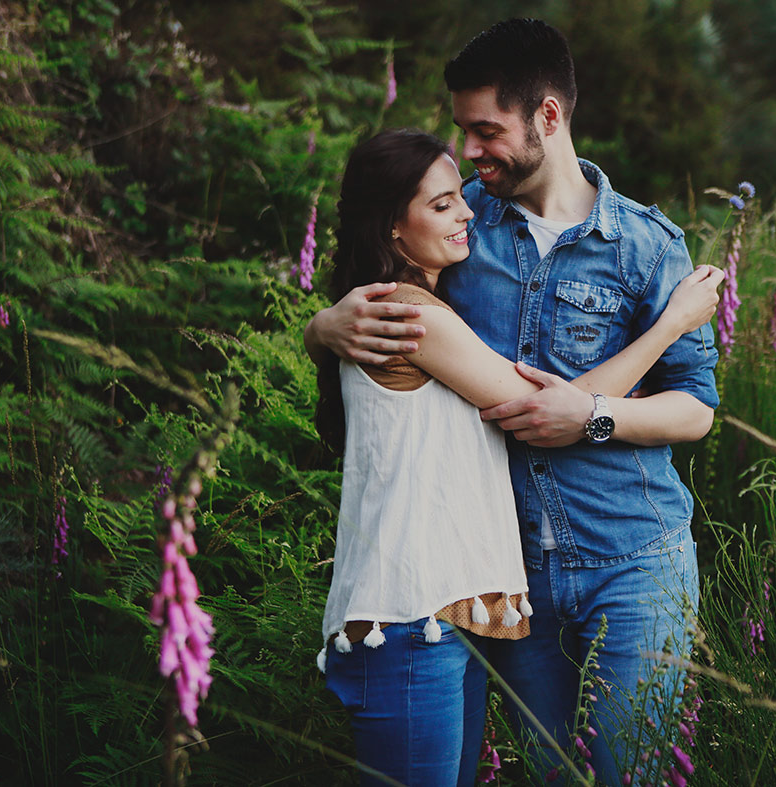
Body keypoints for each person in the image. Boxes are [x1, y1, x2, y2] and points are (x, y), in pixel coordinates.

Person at [306, 19, 721, 783]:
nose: (469, 153)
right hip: (513, 571)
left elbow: (695, 407)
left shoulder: (647, 244)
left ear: (548, 117)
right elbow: (383, 270)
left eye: (485, 130)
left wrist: (597, 415)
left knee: (631, 771)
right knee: (553, 770)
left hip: (635, 557)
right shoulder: (458, 225)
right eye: (462, 131)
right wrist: (322, 325)